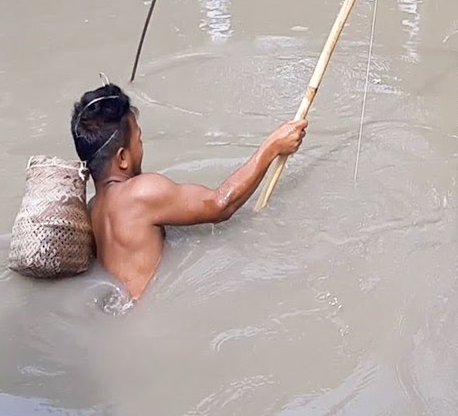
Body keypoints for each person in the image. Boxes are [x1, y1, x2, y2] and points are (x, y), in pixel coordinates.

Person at [70, 83, 306, 300]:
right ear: (122, 158)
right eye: (138, 140)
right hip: (153, 316)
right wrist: (272, 146)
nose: (141, 147)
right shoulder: (140, 193)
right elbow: (220, 204)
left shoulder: (92, 209)